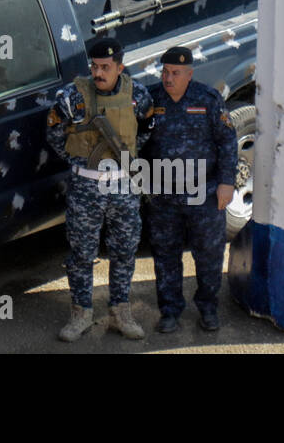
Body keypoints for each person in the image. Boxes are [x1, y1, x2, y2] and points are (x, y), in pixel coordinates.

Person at [45, 36, 153, 341]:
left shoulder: (138, 95)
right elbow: (53, 132)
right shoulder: (72, 97)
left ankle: (121, 311)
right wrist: (76, 160)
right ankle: (81, 313)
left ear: (120, 67)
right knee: (81, 253)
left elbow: (145, 130)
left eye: (106, 67)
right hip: (86, 187)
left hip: (123, 186)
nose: (98, 72)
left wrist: (124, 162)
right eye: (94, 66)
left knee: (125, 251)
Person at [140, 46, 237, 333]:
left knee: (208, 253)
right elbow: (138, 141)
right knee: (165, 254)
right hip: (163, 194)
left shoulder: (207, 99)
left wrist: (227, 182)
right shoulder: (151, 99)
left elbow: (227, 141)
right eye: (165, 72)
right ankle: (169, 310)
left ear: (189, 74)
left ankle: (208, 307)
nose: (169, 78)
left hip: (203, 192)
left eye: (176, 73)